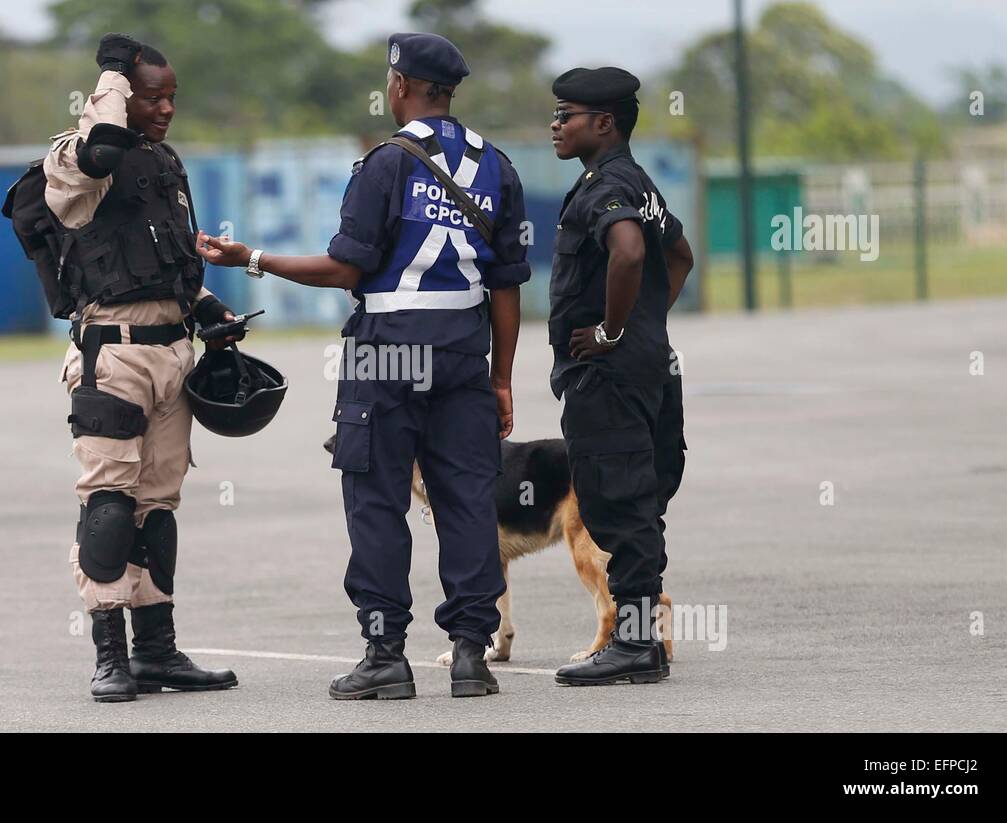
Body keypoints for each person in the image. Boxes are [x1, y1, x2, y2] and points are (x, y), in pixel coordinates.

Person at [195, 32, 531, 699]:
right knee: (465, 500)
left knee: (377, 501)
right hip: (464, 353)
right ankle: (470, 654)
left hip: (386, 350)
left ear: (402, 86)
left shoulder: (386, 163)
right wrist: (500, 377)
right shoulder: (498, 167)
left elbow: (346, 267)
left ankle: (385, 654)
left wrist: (251, 259)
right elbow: (507, 288)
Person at [45, 33, 240, 702]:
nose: (164, 108)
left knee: (157, 508)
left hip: (171, 352)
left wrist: (212, 310)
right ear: (120, 96)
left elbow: (167, 260)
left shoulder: (162, 162)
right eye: (150, 96)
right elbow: (102, 145)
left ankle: (157, 651)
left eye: (171, 97)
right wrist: (112, 72)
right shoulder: (78, 157)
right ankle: (109, 656)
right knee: (107, 503)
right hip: (113, 354)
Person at [544, 67, 695, 686]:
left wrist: (611, 331)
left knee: (618, 501)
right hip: (648, 367)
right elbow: (680, 254)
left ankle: (633, 645)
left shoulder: (606, 186)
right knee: (639, 500)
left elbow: (631, 251)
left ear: (603, 124)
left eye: (565, 115)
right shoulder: (640, 182)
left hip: (608, 376)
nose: (555, 125)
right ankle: (643, 645)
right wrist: (646, 324)